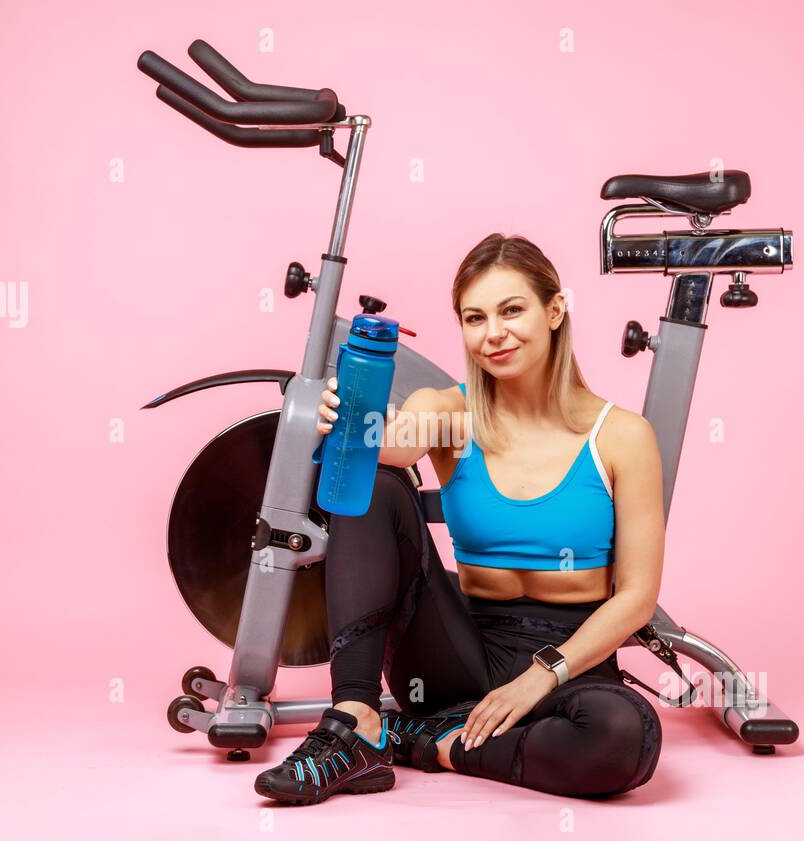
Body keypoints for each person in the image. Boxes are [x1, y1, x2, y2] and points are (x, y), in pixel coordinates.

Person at [253, 233, 666, 805]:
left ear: (554, 309)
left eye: (512, 309)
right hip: (459, 649)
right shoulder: (452, 411)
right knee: (372, 481)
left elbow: (637, 597)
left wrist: (543, 674)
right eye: (475, 318)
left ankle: (429, 742)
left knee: (623, 737)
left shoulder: (622, 436)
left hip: (572, 660)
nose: (493, 333)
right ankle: (355, 722)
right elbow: (393, 446)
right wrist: (343, 416)